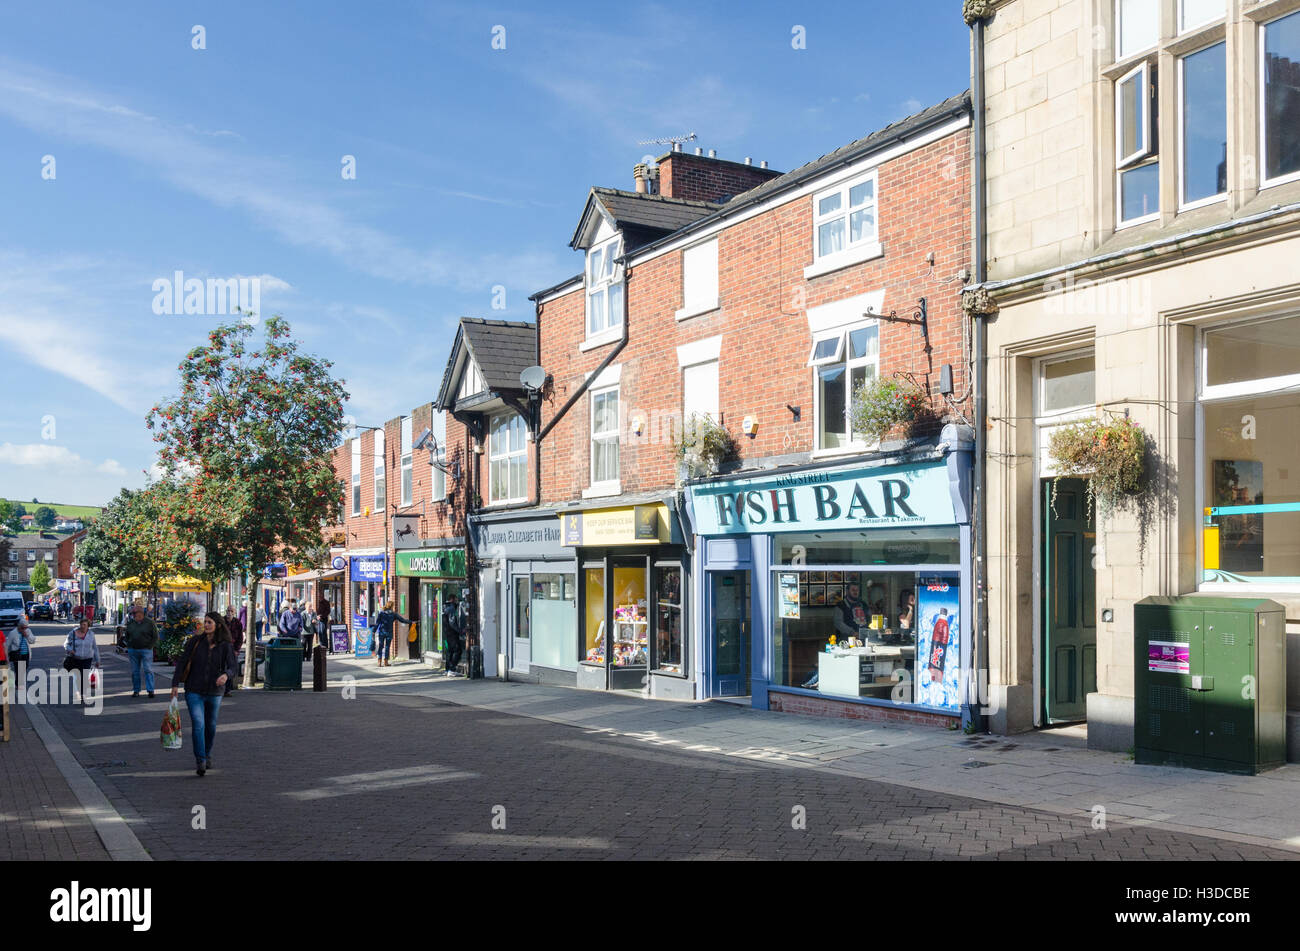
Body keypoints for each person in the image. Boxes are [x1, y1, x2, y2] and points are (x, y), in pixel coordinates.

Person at [171, 612, 237, 777]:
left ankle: (207, 754)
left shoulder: (225, 645)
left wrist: (226, 675)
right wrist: (174, 684)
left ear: (218, 625)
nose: (206, 625)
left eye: (209, 622)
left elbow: (233, 667)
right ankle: (200, 759)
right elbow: (183, 662)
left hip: (215, 692)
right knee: (198, 724)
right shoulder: (195, 641)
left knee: (211, 726)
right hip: (194, 689)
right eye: (205, 622)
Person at [123, 601, 159, 698]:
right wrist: (129, 645)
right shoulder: (131, 623)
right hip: (133, 650)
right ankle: (136, 690)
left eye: (135, 613)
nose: (134, 615)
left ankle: (150, 690)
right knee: (135, 671)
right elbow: (126, 635)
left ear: (141, 613)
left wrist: (150, 646)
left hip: (146, 650)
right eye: (133, 614)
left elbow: (155, 636)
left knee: (148, 669)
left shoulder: (150, 622)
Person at [63, 617, 101, 704]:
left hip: (87, 659)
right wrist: (70, 649)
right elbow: (66, 644)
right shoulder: (73, 633)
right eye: (81, 625)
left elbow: (95, 647)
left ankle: (83, 694)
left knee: (85, 676)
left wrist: (97, 660)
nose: (83, 627)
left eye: (85, 625)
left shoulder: (91, 634)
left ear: (88, 626)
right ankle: (79, 693)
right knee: (77, 677)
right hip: (76, 658)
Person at [370, 601, 410, 668]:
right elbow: (402, 620)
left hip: (382, 632)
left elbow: (377, 623)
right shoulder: (393, 614)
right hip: (389, 633)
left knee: (380, 646)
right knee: (387, 647)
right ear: (391, 606)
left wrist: (374, 631)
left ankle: (379, 662)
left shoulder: (381, 613)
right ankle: (386, 662)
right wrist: (411, 622)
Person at [442, 593, 464, 678]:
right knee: (458, 650)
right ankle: (452, 669)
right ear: (452, 599)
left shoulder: (445, 607)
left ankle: (448, 669)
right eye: (456, 599)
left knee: (450, 651)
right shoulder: (451, 608)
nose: (457, 601)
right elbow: (452, 622)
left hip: (447, 633)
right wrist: (460, 631)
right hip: (452, 633)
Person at [224, 607, 244, 695]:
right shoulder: (221, 621)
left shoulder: (237, 623)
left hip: (232, 649)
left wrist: (237, 650)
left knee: (231, 669)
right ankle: (222, 689)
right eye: (228, 610)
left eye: (231, 611)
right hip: (222, 648)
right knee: (222, 668)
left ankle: (228, 690)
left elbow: (240, 638)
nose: (229, 612)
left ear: (234, 613)